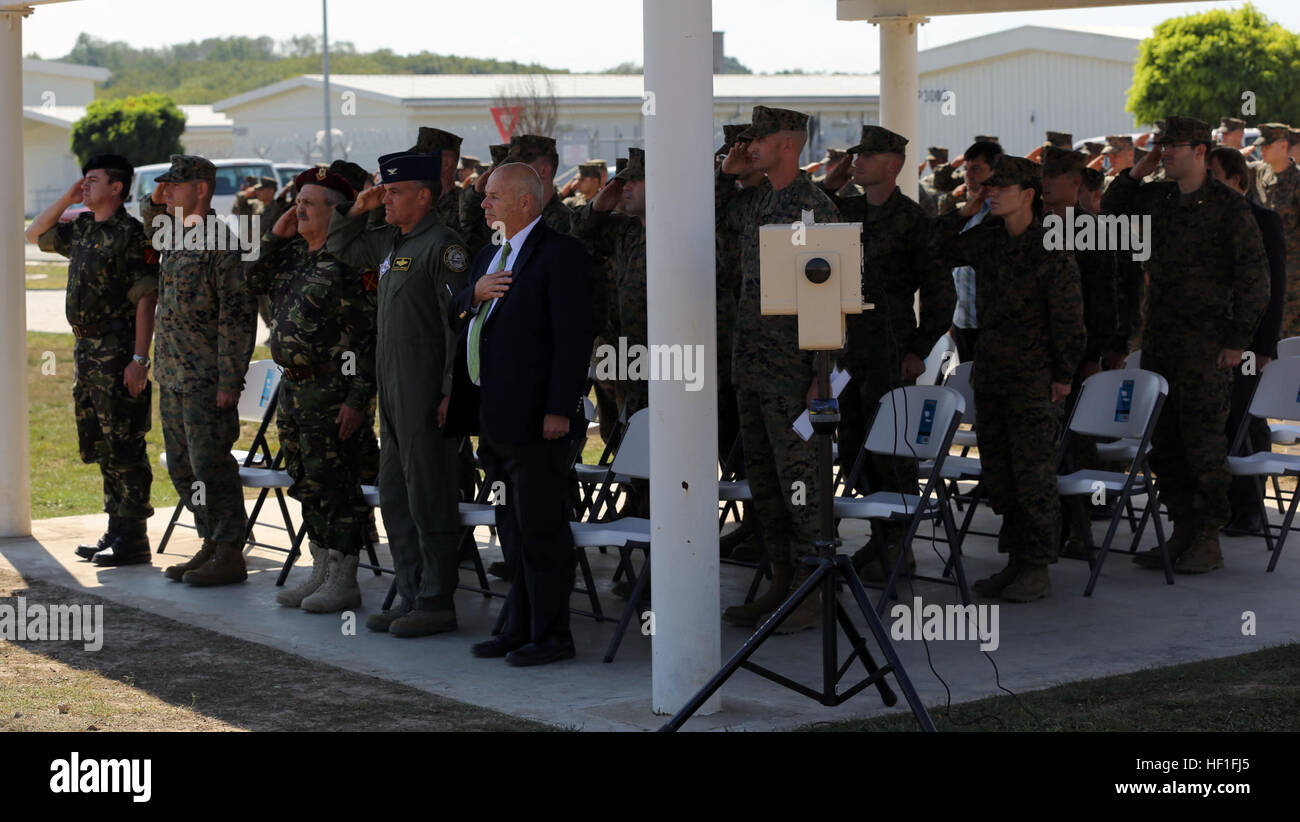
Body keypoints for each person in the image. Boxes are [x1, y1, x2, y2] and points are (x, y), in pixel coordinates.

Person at [1104, 116, 1269, 574]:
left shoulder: (1229, 207)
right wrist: (1143, 164)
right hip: (1162, 340)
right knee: (1167, 443)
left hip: (1206, 345)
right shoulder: (1160, 199)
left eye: (1172, 145)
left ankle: (1208, 537)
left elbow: (1255, 281)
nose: (1165, 152)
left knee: (1201, 442)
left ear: (1201, 150)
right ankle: (1181, 531)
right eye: (1161, 145)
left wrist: (1238, 341)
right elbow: (1113, 206)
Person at [448, 163, 592, 666]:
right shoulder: (490, 254)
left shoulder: (560, 254)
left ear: (526, 202)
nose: (483, 204)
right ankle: (518, 626)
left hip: (537, 420)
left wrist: (559, 409)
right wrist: (473, 294)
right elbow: (459, 315)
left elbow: (573, 342)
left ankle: (553, 635)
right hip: (494, 414)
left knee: (542, 530)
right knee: (510, 527)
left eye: (491, 196)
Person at [326, 151, 471, 636]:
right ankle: (409, 593)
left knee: (429, 495)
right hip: (391, 391)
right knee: (395, 495)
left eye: (394, 192)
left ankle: (436, 600)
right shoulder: (391, 240)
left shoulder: (443, 246)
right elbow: (340, 246)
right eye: (384, 190)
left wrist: (452, 391)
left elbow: (458, 327)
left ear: (424, 196)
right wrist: (360, 207)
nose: (386, 198)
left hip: (425, 390)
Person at [933, 155, 1085, 602]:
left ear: (1028, 195)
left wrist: (1062, 375)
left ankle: (1036, 567)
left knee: (1033, 474)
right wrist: (963, 210)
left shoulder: (1051, 246)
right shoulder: (989, 238)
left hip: (1035, 380)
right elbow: (938, 250)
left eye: (1001, 188)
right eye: (989, 186)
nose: (991, 193)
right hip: (994, 372)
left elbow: (1069, 320)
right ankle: (1016, 561)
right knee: (1000, 474)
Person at [716, 105, 840, 632]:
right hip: (753, 368)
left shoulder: (814, 208)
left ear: (786, 144)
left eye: (758, 140)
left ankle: (813, 592)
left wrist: (823, 373)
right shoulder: (758, 201)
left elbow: (829, 298)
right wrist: (727, 173)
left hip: (795, 374)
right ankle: (783, 584)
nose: (749, 148)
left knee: (802, 486)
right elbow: (712, 216)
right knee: (766, 487)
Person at [818, 125, 955, 582]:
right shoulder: (844, 210)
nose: (857, 162)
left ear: (893, 164)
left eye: (867, 156)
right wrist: (832, 180)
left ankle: (898, 546)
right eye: (856, 155)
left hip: (892, 347)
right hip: (847, 348)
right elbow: (800, 221)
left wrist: (919, 350)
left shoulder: (915, 222)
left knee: (891, 453)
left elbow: (941, 295)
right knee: (854, 446)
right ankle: (880, 542)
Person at [242, 168, 376, 612]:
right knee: (305, 481)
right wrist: (276, 237)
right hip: (294, 388)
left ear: (336, 212)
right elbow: (249, 282)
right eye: (297, 201)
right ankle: (319, 568)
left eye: (309, 203)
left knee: (336, 484)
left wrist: (358, 401)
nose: (297, 208)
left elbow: (369, 336)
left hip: (332, 387)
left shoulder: (350, 262)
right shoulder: (293, 254)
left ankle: (344, 577)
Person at [27, 154, 159, 566]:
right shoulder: (83, 226)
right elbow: (34, 234)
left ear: (117, 188)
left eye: (93, 180)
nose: (85, 186)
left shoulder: (132, 236)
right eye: (83, 180)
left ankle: (133, 537)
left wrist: (140, 359)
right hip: (86, 351)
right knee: (102, 443)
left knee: (126, 443)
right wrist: (69, 197)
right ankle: (116, 529)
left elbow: (146, 298)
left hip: (117, 350)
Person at [140, 155, 257, 585]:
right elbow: (148, 213)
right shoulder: (174, 233)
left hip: (206, 379)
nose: (167, 191)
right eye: (165, 186)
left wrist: (230, 380)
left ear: (202, 189)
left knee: (210, 463)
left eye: (176, 184)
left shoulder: (222, 243)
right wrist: (162, 192)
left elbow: (237, 318)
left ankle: (229, 550)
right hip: (172, 374)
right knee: (183, 467)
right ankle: (210, 538)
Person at [1208, 146, 1286, 537]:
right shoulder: (1204, 220)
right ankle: (1225, 506)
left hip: (1252, 343)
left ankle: (1252, 509)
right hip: (1214, 341)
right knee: (1219, 424)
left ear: (1237, 180)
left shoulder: (1262, 219)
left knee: (1246, 420)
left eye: (1215, 175)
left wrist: (1266, 346)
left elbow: (1274, 288)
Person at [948, 139, 1002, 363]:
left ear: (995, 171)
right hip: (964, 322)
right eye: (966, 169)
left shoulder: (1001, 214)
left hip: (993, 325)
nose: (968, 175)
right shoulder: (966, 211)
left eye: (976, 169)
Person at [467, 135, 573, 237]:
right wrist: (475, 193)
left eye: (520, 166)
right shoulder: (506, 216)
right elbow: (469, 230)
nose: (511, 172)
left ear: (544, 170)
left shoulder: (568, 224)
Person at [1250, 123, 1300, 337]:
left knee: (1290, 337)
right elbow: (1229, 167)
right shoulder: (1259, 173)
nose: (1263, 150)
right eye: (1261, 146)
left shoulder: (1297, 181)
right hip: (1263, 271)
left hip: (1293, 275)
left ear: (1283, 145)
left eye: (1268, 145)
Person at [409, 126, 464, 230]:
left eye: (424, 157)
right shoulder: (417, 202)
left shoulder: (465, 206)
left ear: (446, 163)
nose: (417, 163)